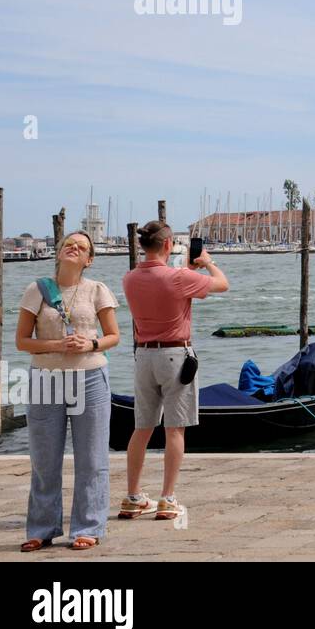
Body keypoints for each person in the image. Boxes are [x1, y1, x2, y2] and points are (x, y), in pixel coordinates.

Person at [15, 231, 121, 552]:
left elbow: (113, 336)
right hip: (46, 380)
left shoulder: (97, 290)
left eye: (82, 247)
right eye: (68, 245)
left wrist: (90, 343)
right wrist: (58, 345)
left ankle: (87, 526)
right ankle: (42, 528)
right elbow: (22, 341)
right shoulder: (37, 290)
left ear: (89, 259)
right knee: (44, 459)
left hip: (90, 378)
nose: (74, 248)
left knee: (91, 457)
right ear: (59, 253)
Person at [120, 221, 229, 521]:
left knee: (141, 428)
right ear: (168, 245)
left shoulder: (128, 279)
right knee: (175, 429)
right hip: (175, 355)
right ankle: (167, 497)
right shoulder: (180, 277)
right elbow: (222, 283)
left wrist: (187, 271)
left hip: (143, 356)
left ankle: (132, 496)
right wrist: (207, 262)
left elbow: (166, 285)